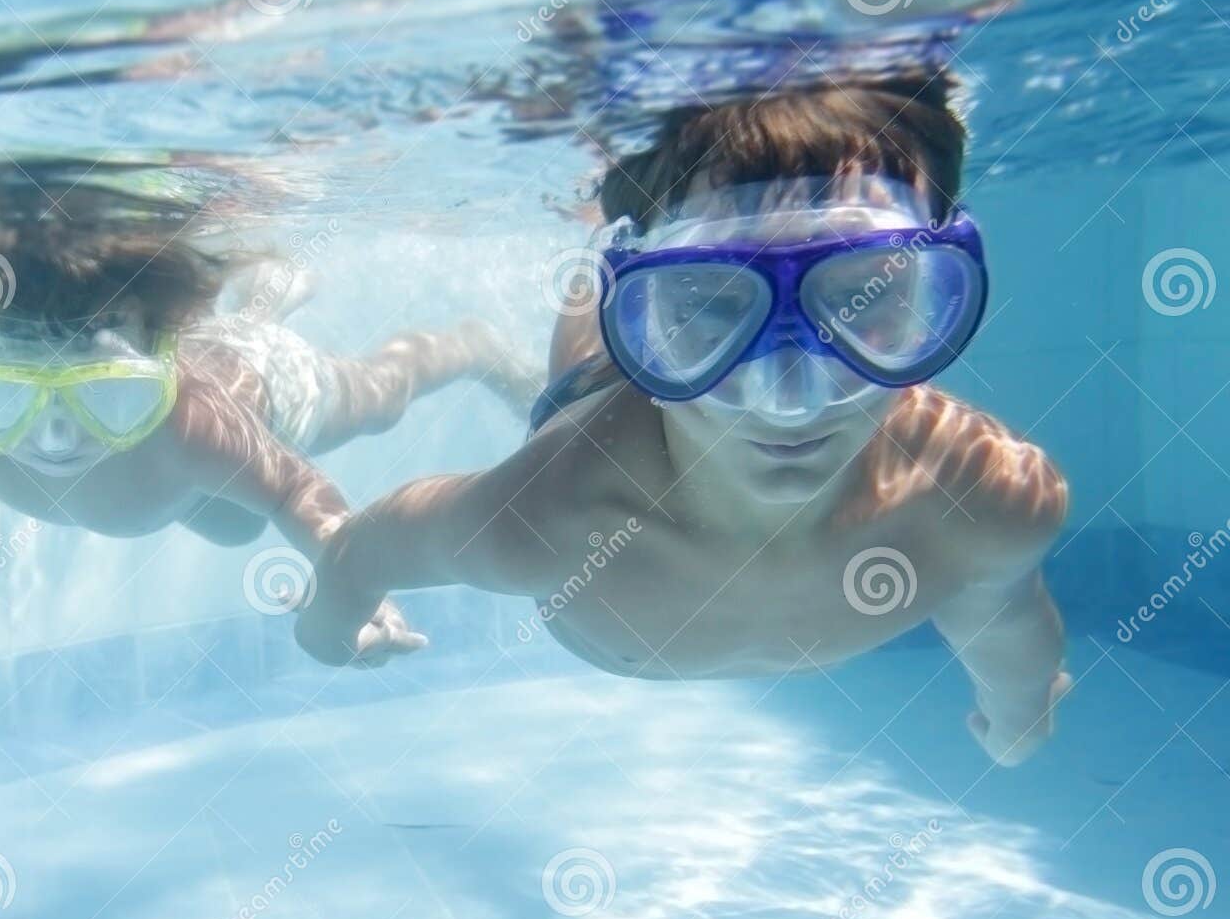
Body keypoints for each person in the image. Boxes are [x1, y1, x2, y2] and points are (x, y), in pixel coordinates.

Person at [297, 75, 1071, 765]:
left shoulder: (989, 495)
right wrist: (328, 633)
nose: (788, 396)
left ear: (936, 296)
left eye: (861, 295)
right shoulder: (551, 514)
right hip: (599, 397)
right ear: (642, 315)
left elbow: (1003, 618)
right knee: (584, 357)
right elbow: (367, 547)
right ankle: (499, 341)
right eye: (709, 303)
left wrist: (1021, 713)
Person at [0, 175, 533, 658]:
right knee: (226, 520)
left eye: (108, 394)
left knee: (378, 398)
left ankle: (467, 345)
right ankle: (263, 299)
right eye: (1, 394)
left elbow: (298, 492)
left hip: (261, 388)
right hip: (187, 470)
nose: (54, 436)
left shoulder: (194, 422)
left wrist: (355, 580)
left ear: (157, 371)